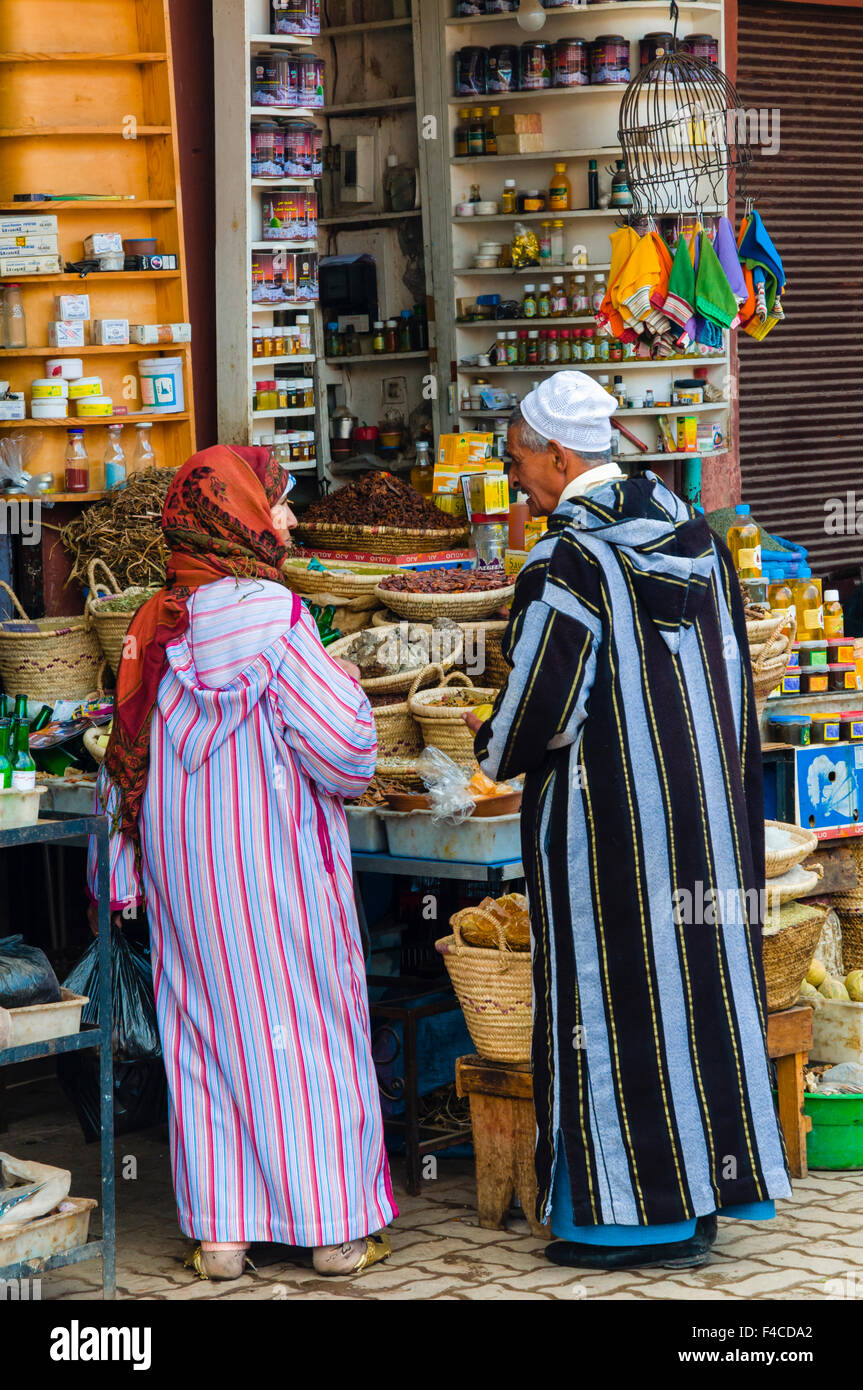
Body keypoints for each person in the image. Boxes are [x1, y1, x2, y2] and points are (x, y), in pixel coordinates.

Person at [467, 372, 791, 1270]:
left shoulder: (568, 559)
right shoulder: (693, 535)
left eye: (519, 457)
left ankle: (621, 1219)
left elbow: (543, 708)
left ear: (559, 455)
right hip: (711, 826)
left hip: (604, 833)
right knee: (701, 997)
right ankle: (700, 1201)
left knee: (606, 1004)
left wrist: (487, 745)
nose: (515, 475)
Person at [87, 445, 396, 1280]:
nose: (288, 519)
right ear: (240, 517)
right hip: (277, 874)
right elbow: (346, 753)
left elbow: (126, 758)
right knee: (308, 1035)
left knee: (206, 1036)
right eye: (278, 502)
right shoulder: (277, 618)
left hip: (186, 876)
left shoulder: (157, 620)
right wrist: (343, 682)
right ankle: (331, 1232)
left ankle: (223, 1235)